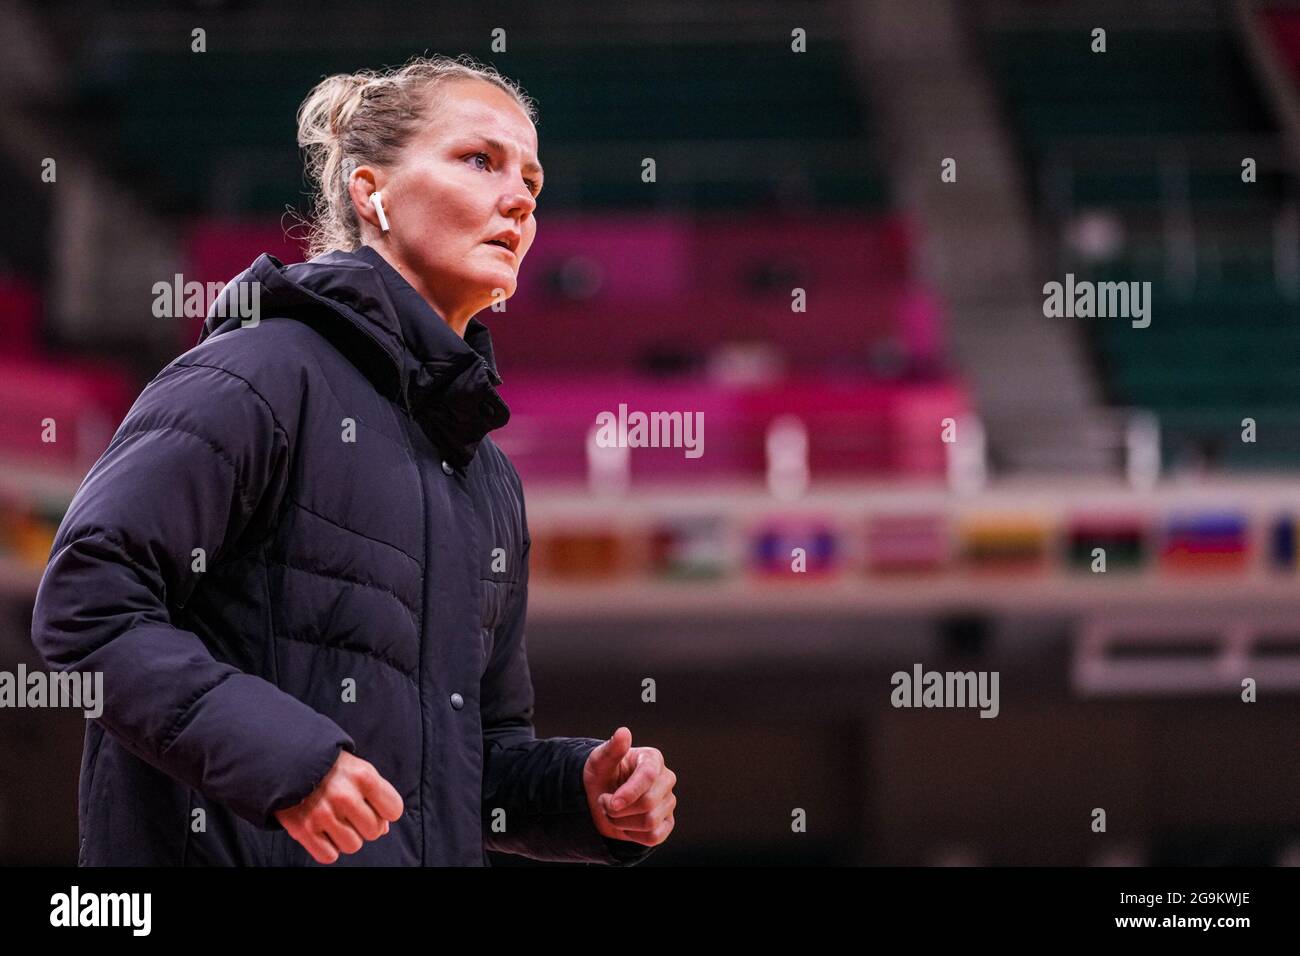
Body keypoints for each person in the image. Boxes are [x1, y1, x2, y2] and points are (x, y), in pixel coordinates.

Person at [30, 53, 676, 866]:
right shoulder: (257, 373)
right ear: (371, 193)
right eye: (479, 161)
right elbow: (88, 604)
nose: (518, 199)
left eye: (532, 184)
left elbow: (476, 755)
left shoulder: (487, 477)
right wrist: (287, 763)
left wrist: (580, 794)